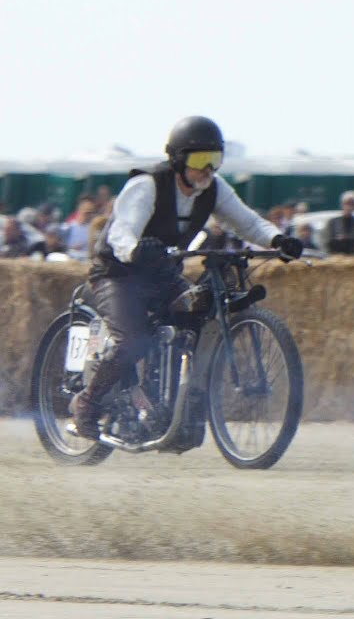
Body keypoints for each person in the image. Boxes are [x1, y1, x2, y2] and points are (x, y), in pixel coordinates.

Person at [69, 116, 304, 440]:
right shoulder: (147, 185)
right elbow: (122, 232)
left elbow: (247, 222)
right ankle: (87, 403)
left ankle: (159, 402)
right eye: (200, 160)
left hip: (162, 274)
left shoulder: (214, 189)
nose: (208, 169)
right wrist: (135, 249)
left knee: (195, 315)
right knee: (134, 339)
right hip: (119, 273)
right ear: (179, 160)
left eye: (215, 160)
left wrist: (278, 240)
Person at [326, 190, 354, 255]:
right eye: (346, 203)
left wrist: (348, 238)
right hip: (336, 259)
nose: (349, 207)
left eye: (352, 204)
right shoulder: (333, 222)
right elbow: (327, 241)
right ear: (342, 204)